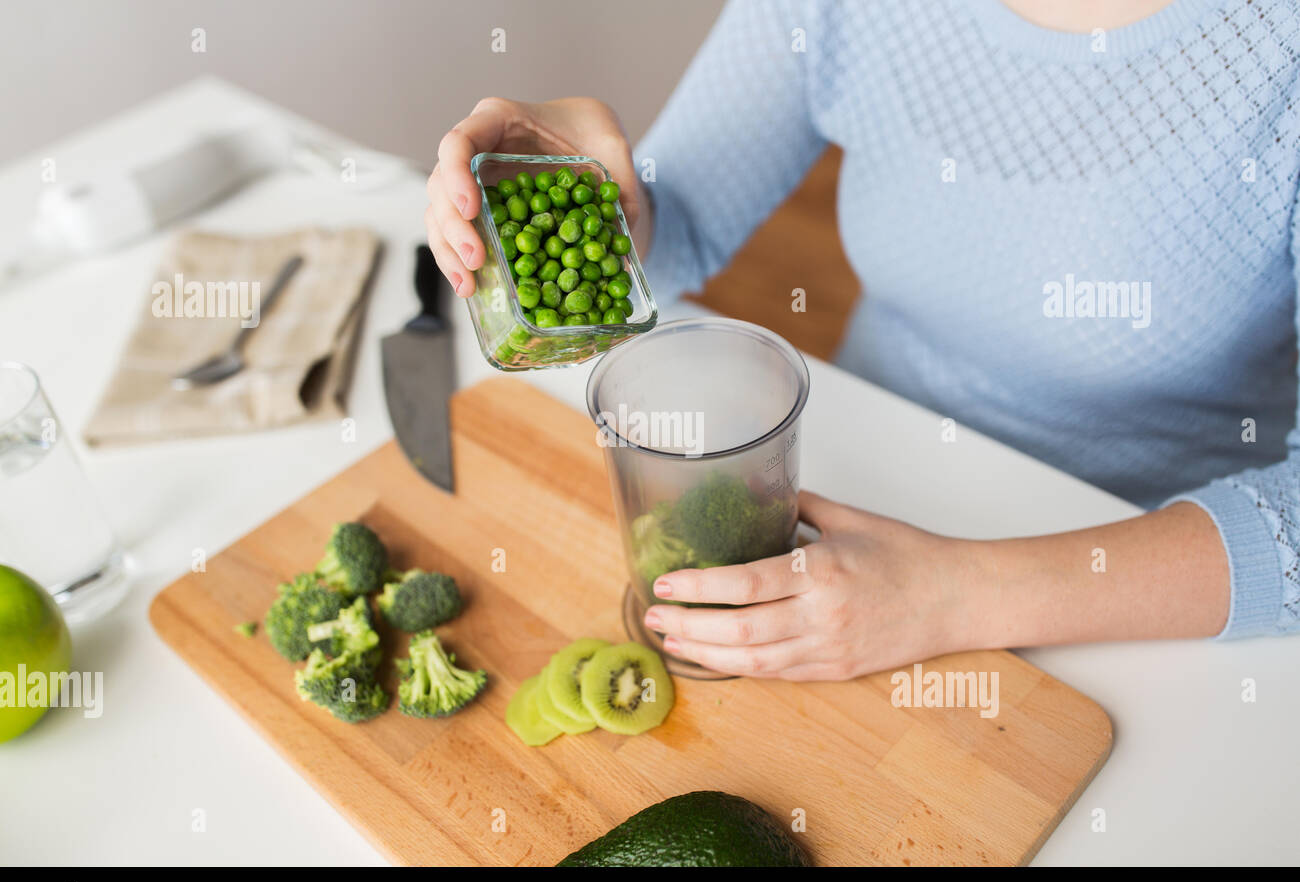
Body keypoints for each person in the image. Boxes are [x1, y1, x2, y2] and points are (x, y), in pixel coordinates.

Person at [425, 0, 1300, 680]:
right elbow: (680, 224)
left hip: (1150, 591)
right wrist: (587, 198)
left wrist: (951, 598)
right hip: (862, 505)